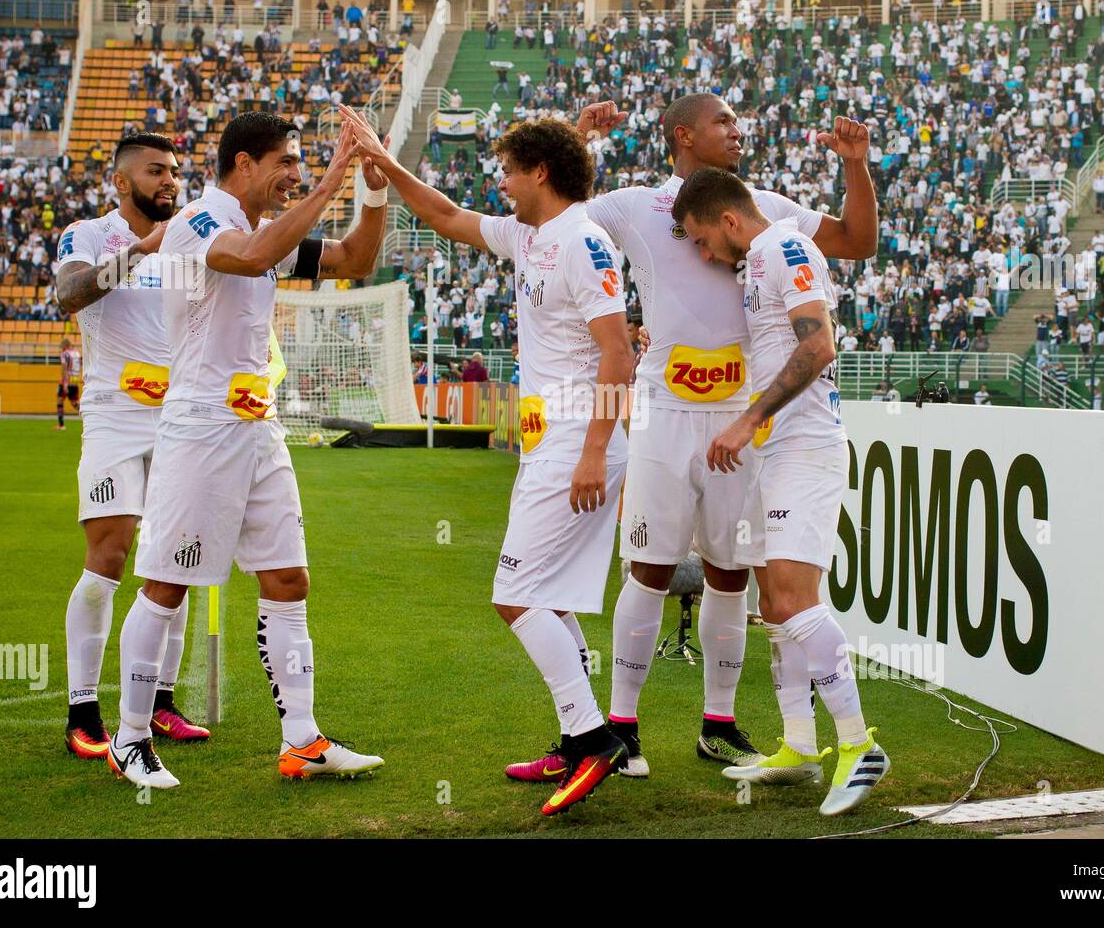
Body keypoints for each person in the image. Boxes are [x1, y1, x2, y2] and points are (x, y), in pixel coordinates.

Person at [566, 96, 876, 778]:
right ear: (684, 134)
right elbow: (562, 218)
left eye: (740, 121)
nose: (739, 130)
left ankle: (720, 723)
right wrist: (579, 138)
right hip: (665, 410)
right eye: (724, 123)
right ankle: (622, 728)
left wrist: (857, 167)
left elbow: (857, 241)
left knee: (731, 573)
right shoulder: (635, 206)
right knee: (646, 566)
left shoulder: (766, 208)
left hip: (745, 414)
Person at [340, 105, 636, 816]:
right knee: (549, 597)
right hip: (546, 442)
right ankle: (577, 740)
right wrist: (384, 161)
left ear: (539, 172)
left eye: (507, 170)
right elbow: (443, 214)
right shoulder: (529, 234)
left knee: (514, 595)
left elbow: (618, 352)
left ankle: (594, 739)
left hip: (576, 439)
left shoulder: (583, 242)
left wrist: (594, 453)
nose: (498, 182)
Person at [111, 113, 390, 788]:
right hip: (201, 426)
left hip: (258, 428)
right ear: (243, 164)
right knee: (167, 585)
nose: (295, 173)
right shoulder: (196, 223)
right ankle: (129, 738)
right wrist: (328, 183)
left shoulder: (266, 230)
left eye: (300, 163)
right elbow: (251, 256)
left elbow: (355, 261)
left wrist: (373, 191)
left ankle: (302, 740)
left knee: (288, 579)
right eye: (286, 162)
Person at [671, 168, 888, 816]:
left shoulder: (784, 248)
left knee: (793, 600)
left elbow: (818, 346)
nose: (705, 255)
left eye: (703, 240)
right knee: (775, 602)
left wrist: (747, 418)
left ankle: (858, 744)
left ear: (729, 220)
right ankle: (799, 745)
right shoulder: (759, 259)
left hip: (805, 448)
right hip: (777, 452)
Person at [54, 133, 210, 761]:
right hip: (117, 415)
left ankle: (160, 704)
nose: (170, 180)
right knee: (109, 557)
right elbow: (69, 295)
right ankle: (82, 709)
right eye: (156, 171)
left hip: (181, 416)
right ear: (122, 182)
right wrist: (139, 251)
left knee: (176, 562)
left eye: (175, 171)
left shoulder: (190, 237)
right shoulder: (88, 234)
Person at [56, 337, 82, 430]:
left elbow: (64, 369)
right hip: (75, 381)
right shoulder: (77, 354)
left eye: (62, 346)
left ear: (65, 345)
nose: (61, 348)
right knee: (74, 402)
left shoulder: (64, 354)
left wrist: (65, 383)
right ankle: (89, 417)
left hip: (67, 380)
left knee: (59, 400)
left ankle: (61, 425)